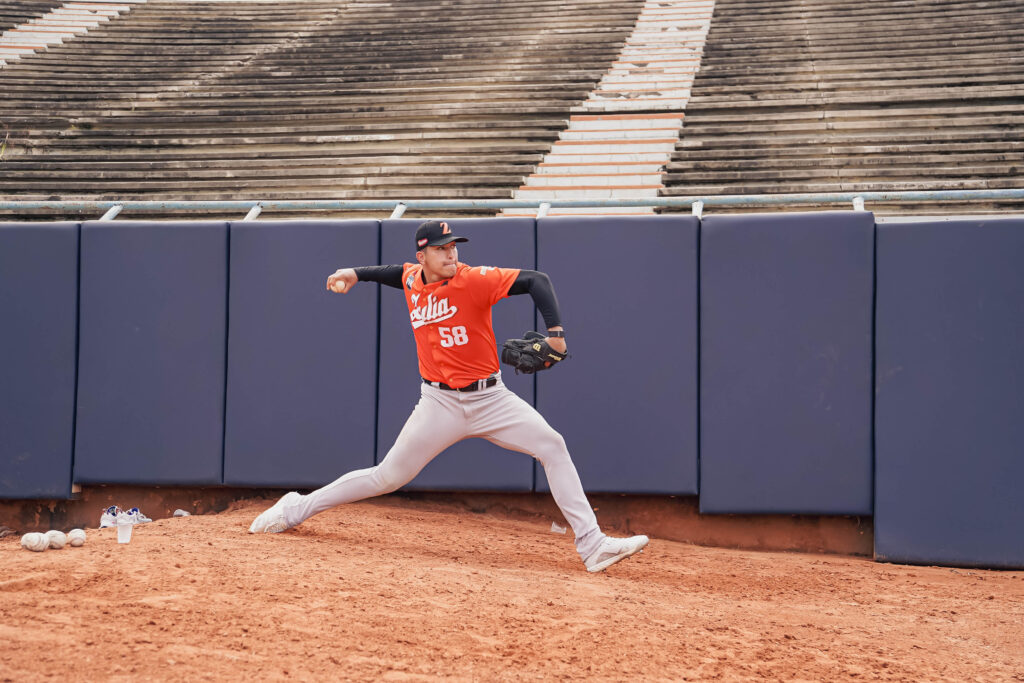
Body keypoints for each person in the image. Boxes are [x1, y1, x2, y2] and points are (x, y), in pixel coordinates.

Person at [249, 220, 648, 572]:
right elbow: (394, 273)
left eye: (453, 246)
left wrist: (556, 335)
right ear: (422, 256)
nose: (451, 254)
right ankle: (295, 508)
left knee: (553, 446)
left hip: (491, 400)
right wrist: (356, 273)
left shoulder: (473, 280)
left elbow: (537, 281)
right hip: (438, 404)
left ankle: (592, 545)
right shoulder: (412, 279)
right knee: (387, 476)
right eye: (441, 249)